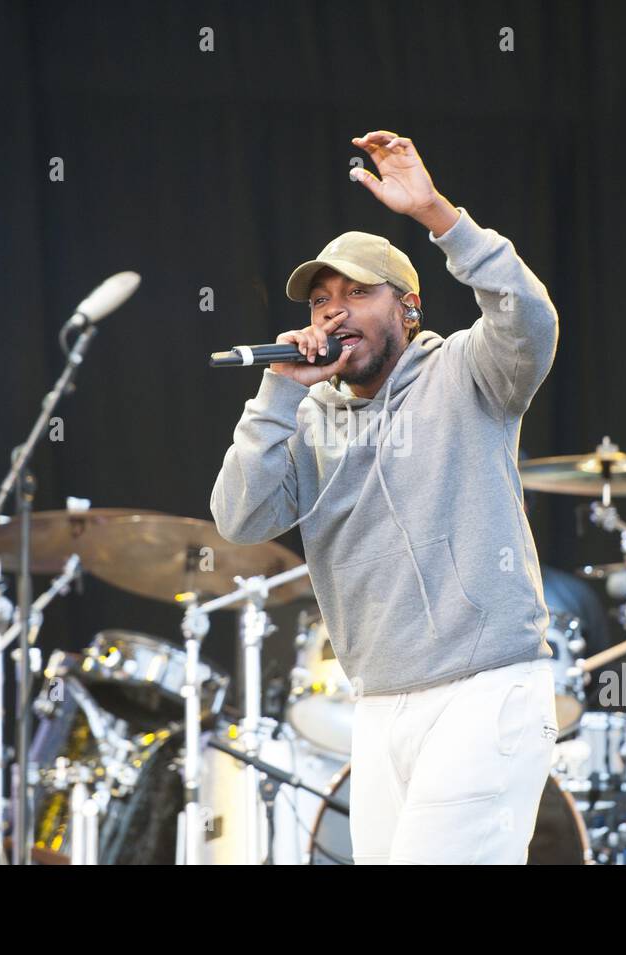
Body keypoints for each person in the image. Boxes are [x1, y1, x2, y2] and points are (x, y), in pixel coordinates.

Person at [211, 130, 560, 863]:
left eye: (358, 293)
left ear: (408, 309)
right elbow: (238, 517)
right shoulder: (307, 421)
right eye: (321, 300)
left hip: (484, 686)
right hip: (376, 704)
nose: (334, 312)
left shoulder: (468, 371)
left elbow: (530, 319)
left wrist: (439, 215)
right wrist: (276, 392)